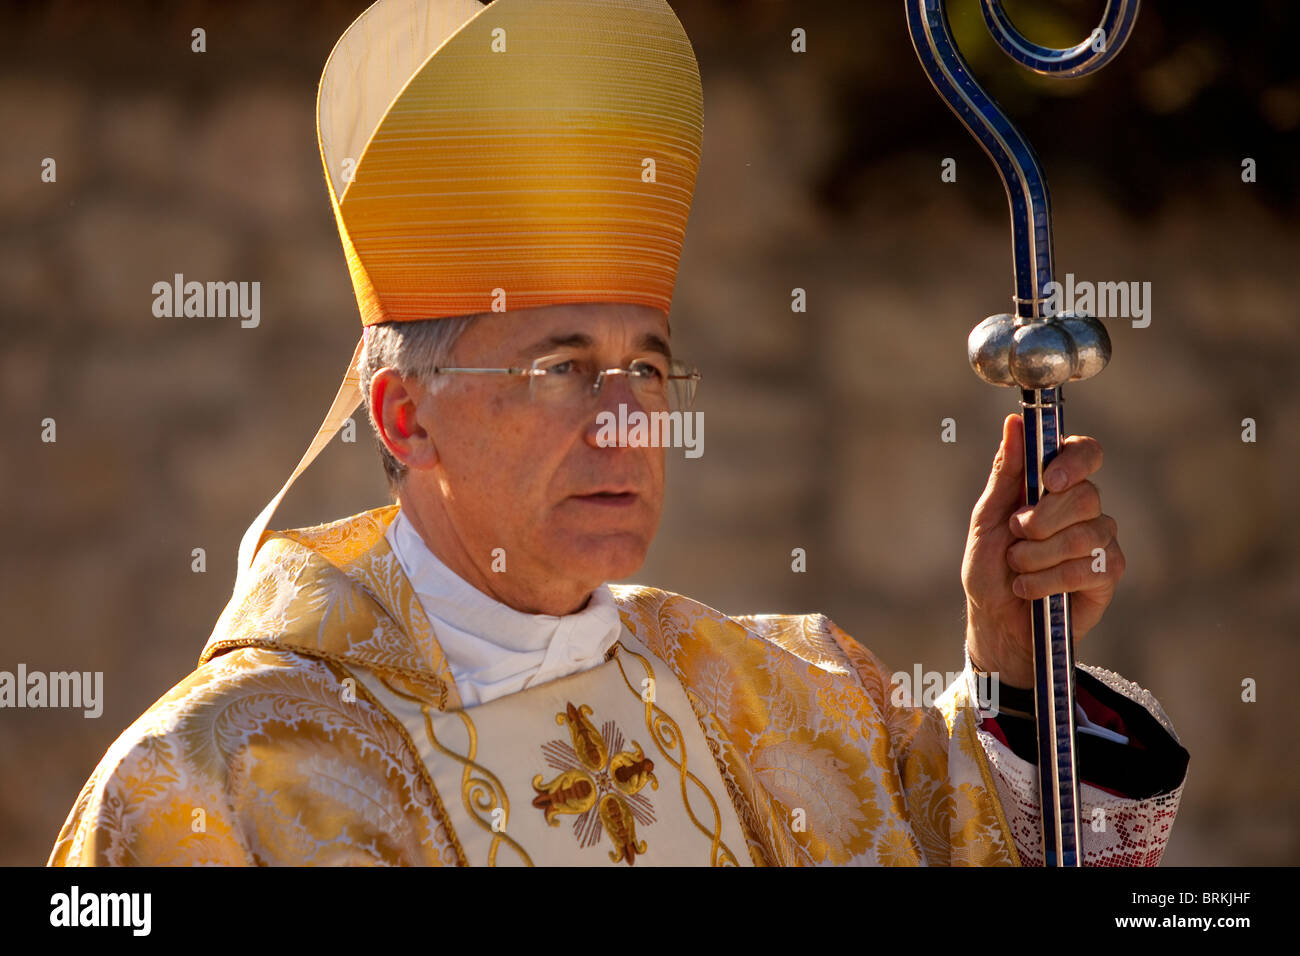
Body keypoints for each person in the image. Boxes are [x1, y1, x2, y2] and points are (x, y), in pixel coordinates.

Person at [49, 0, 1187, 867]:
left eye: (647, 363)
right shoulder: (217, 778)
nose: (627, 417)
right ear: (407, 417)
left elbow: (987, 841)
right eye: (562, 370)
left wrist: (1009, 662)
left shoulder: (768, 694)